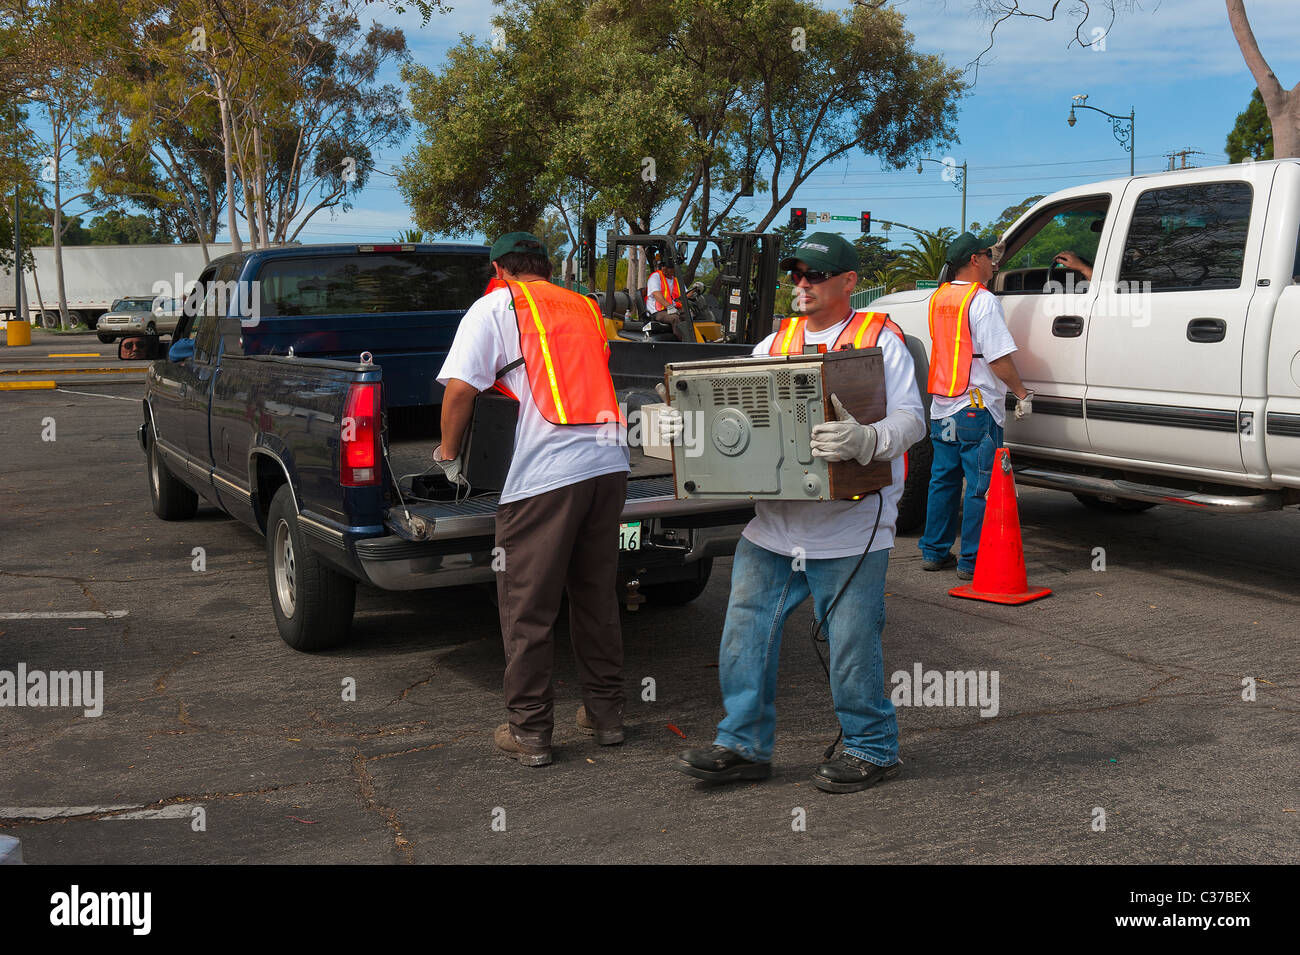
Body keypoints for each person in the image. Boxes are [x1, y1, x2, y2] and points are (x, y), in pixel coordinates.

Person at [667, 232, 926, 793]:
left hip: (851, 526)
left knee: (853, 643)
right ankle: (743, 745)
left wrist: (866, 439)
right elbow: (730, 413)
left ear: (849, 282)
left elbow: (913, 420)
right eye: (795, 275)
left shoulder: (881, 340)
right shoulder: (774, 342)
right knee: (744, 633)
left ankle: (872, 748)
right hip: (775, 526)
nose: (800, 285)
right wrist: (680, 432)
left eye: (814, 275)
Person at [435, 232, 631, 768]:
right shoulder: (586, 306)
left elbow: (460, 389)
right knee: (595, 596)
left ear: (498, 269)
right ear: (545, 267)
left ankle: (530, 733)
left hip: (545, 473)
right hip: (608, 465)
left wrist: (449, 454)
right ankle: (606, 716)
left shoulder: (497, 304)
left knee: (528, 608)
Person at [918, 232, 1032, 581]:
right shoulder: (981, 300)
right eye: (988, 254)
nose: (992, 260)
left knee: (943, 481)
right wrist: (1022, 393)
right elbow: (997, 358)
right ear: (974, 260)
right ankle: (972, 560)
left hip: (943, 405)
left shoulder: (940, 297)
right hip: (976, 407)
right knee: (981, 486)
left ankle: (934, 552)